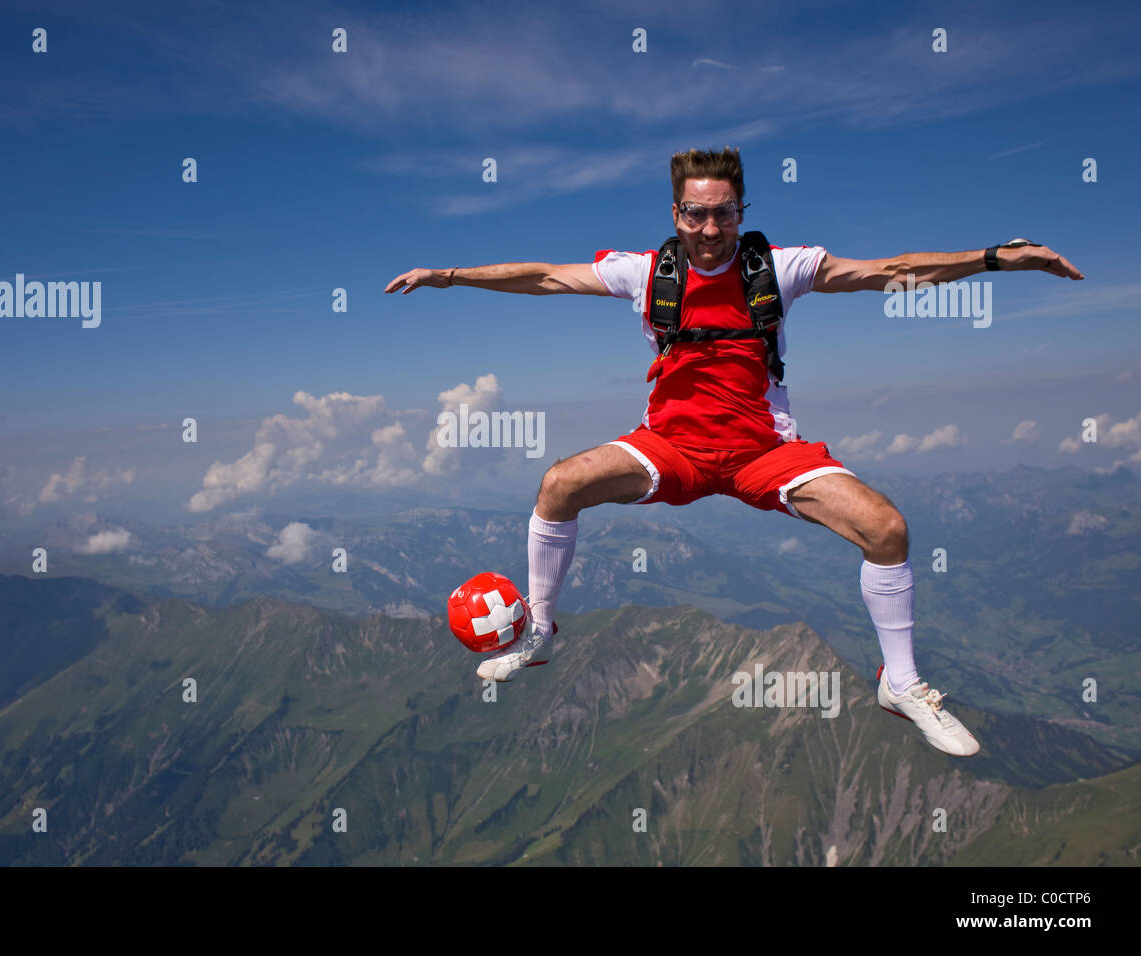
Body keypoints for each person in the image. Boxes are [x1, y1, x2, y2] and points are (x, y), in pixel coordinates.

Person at [384, 147, 1084, 757]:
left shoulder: (779, 267)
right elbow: (541, 276)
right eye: (696, 215)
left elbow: (890, 271)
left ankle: (899, 684)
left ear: (742, 210)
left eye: (723, 214)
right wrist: (447, 275)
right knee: (560, 483)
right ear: (676, 213)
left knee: (888, 529)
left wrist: (995, 259)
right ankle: (538, 631)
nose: (710, 229)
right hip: (671, 447)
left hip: (761, 451)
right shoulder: (644, 272)